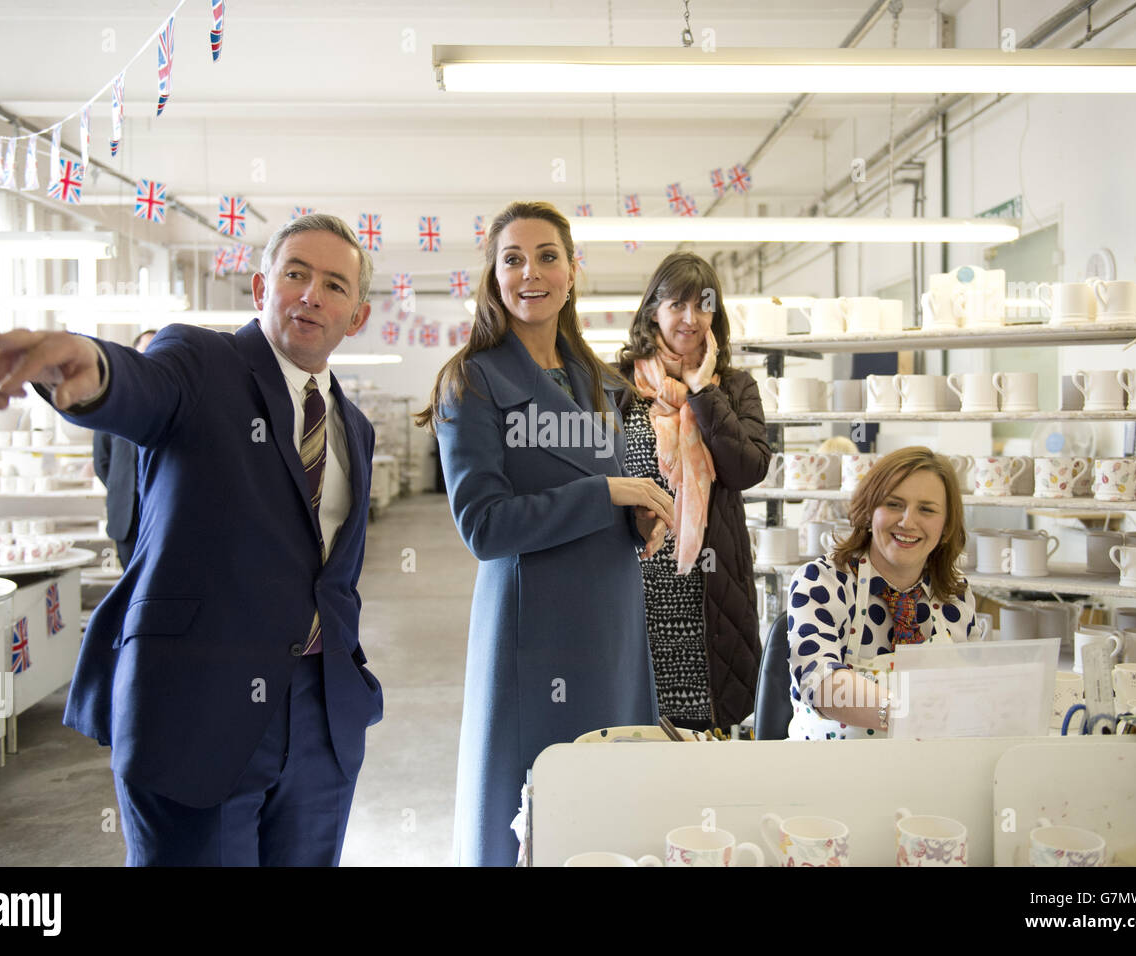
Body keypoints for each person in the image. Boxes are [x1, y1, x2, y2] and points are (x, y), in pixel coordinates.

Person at [0, 213, 383, 866]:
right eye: (296, 274)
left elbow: (332, 576)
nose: (312, 294)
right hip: (200, 713)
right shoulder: (202, 364)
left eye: (334, 285)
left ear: (357, 316)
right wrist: (92, 373)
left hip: (322, 720)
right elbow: (142, 388)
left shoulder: (354, 429)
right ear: (261, 288)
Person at [417, 200, 674, 867]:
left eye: (547, 255)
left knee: (609, 802)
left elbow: (604, 479)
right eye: (512, 259)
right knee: (536, 810)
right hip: (538, 631)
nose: (531, 272)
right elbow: (484, 526)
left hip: (611, 620)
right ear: (493, 276)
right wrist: (607, 493)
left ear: (571, 270)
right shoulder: (471, 382)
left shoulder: (595, 381)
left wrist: (635, 512)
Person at [613, 252, 771, 733]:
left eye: (702, 306)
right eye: (676, 304)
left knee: (706, 737)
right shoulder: (616, 388)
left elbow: (747, 468)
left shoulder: (735, 387)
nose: (689, 317)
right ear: (653, 311)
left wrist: (704, 393)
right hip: (635, 590)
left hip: (711, 594)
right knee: (631, 728)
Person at [786, 446, 977, 741]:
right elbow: (820, 684)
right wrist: (906, 714)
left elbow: (974, 689)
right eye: (894, 504)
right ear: (868, 510)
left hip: (928, 772)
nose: (908, 522)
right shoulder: (822, 582)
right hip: (827, 773)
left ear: (947, 526)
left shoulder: (955, 596)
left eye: (926, 509)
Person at [92, 329, 156, 569]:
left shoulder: (175, 403)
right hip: (126, 517)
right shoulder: (114, 401)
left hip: (161, 516)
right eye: (143, 352)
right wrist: (124, 489)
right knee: (129, 587)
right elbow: (102, 460)